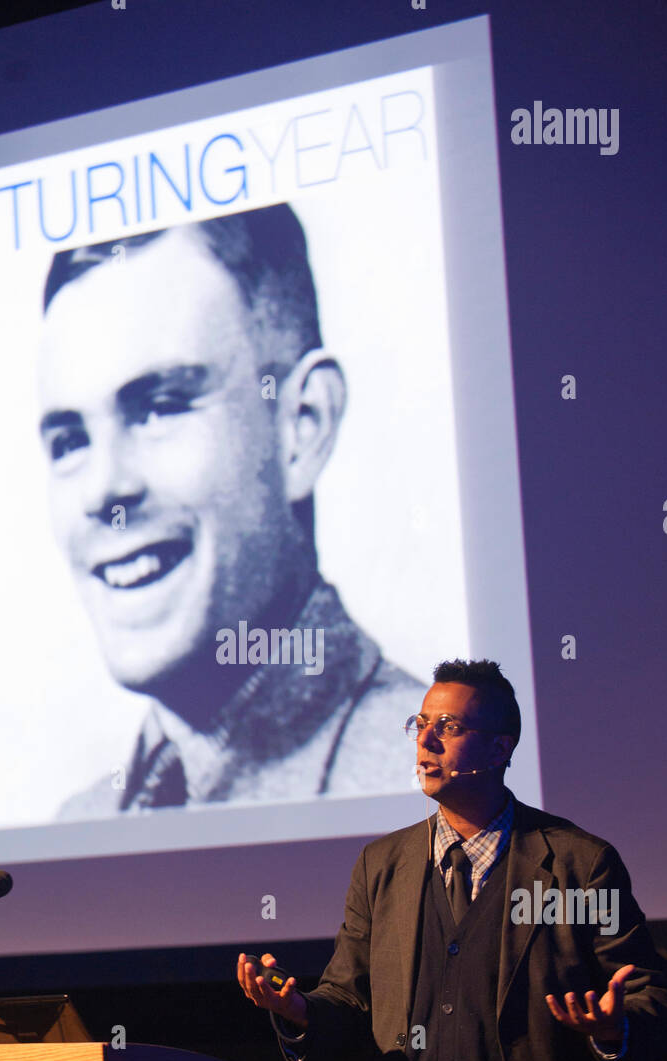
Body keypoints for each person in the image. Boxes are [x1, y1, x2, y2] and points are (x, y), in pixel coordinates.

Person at [237, 659, 667, 1061]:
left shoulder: (577, 866)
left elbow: (654, 1000)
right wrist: (299, 1008)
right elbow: (347, 999)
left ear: (501, 748)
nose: (426, 740)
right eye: (420, 724)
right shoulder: (382, 865)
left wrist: (614, 1027)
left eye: (448, 726)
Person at [37, 204, 426, 817]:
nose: (103, 490)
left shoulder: (442, 799)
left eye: (161, 407)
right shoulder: (74, 826)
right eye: (69, 442)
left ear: (302, 426)